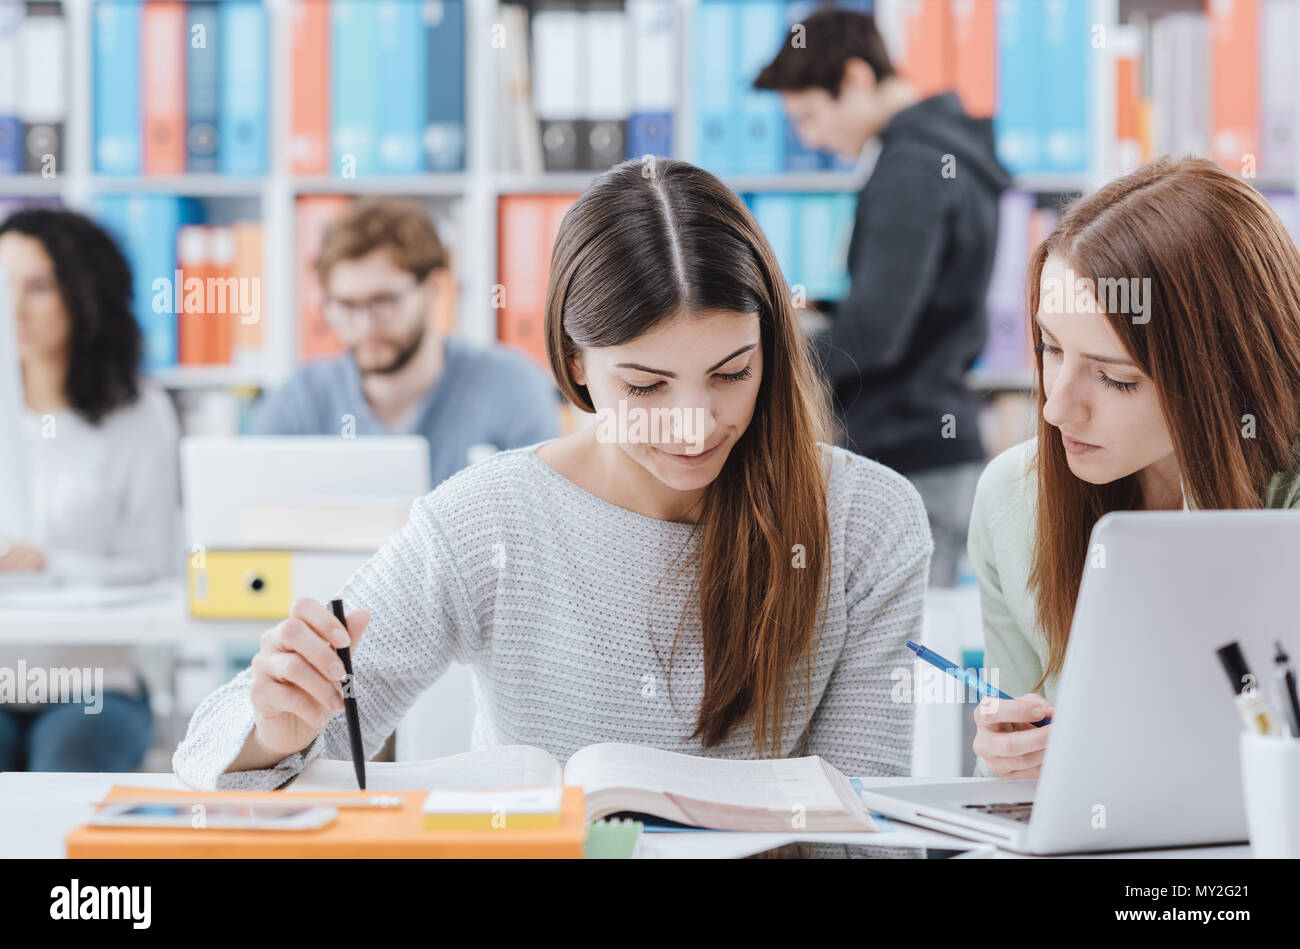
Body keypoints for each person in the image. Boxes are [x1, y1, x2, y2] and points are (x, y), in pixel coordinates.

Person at [173, 159, 932, 822]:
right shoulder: (487, 517)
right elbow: (216, 751)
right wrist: (277, 725)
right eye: (645, 384)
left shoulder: (868, 520)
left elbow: (859, 831)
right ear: (576, 364)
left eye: (732, 372)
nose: (693, 424)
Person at [968, 157, 1300, 779]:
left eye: (1116, 378)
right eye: (1050, 347)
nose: (1056, 406)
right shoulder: (1011, 500)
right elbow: (1015, 782)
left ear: (1226, 379)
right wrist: (1017, 758)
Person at [754, 7, 1012, 585]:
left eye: (809, 115)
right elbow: (910, 303)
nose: (809, 137)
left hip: (910, 452)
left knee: (910, 662)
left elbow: (878, 331)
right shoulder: (945, 148)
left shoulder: (910, 168)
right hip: (933, 443)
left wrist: (768, 372)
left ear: (855, 78)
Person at [0, 208, 178, 771]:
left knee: (68, 757)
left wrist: (51, 563)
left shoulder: (139, 414)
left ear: (83, 294)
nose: (13, 309)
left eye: (38, 287)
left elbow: (155, 566)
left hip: (96, 682)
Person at [251, 198, 560, 485]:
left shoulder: (509, 385)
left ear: (433, 289)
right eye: (346, 306)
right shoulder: (301, 398)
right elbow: (251, 505)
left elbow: (547, 517)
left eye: (384, 301)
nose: (364, 324)